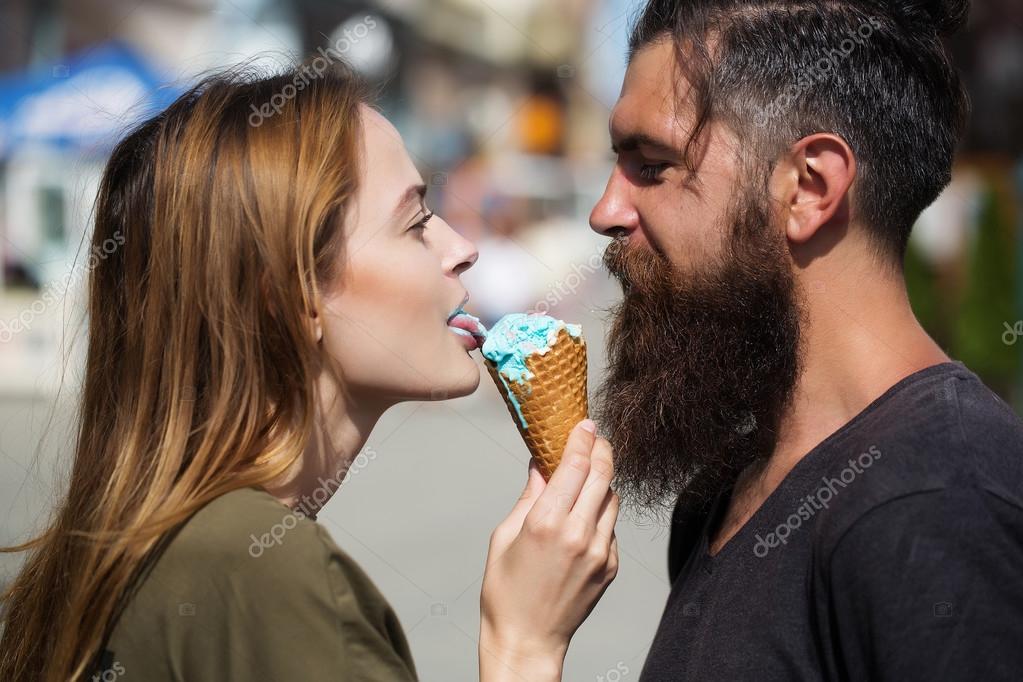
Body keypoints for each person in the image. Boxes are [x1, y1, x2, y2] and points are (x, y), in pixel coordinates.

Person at [0, 62, 619, 682]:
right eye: (415, 222)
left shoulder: (115, 552)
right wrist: (521, 645)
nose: (462, 247)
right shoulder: (271, 578)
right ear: (292, 296)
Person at [588, 0, 1023, 679]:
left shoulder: (937, 501)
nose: (605, 212)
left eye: (652, 164)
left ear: (808, 187)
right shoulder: (728, 482)